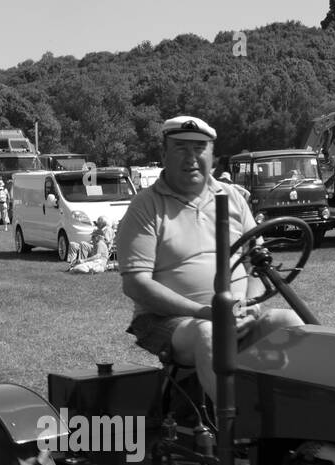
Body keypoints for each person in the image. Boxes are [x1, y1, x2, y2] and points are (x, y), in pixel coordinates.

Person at [117, 115, 306, 400]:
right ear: (163, 154)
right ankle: (235, 433)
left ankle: (291, 420)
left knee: (291, 324)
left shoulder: (232, 198)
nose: (191, 157)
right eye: (181, 148)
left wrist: (249, 305)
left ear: (213, 156)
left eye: (199, 148)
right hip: (169, 321)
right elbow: (136, 284)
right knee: (209, 334)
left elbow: (258, 263)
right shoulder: (146, 206)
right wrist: (205, 312)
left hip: (237, 314)